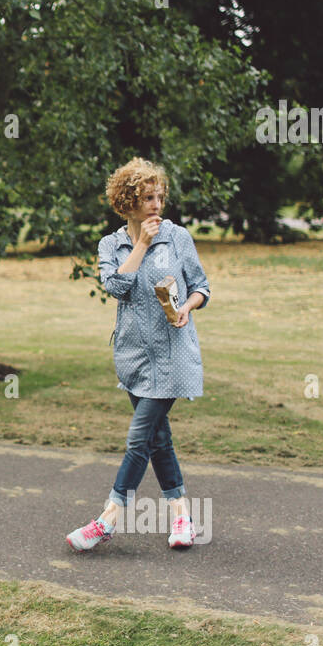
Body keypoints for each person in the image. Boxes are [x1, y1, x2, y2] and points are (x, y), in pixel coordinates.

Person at [67, 157, 210, 552]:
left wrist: (188, 306)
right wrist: (142, 244)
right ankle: (183, 518)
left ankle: (107, 519)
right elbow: (116, 286)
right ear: (127, 202)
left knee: (137, 439)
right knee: (158, 440)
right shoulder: (111, 244)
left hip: (173, 356)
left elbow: (201, 285)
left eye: (160, 197)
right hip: (132, 357)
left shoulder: (178, 237)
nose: (157, 205)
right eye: (148, 198)